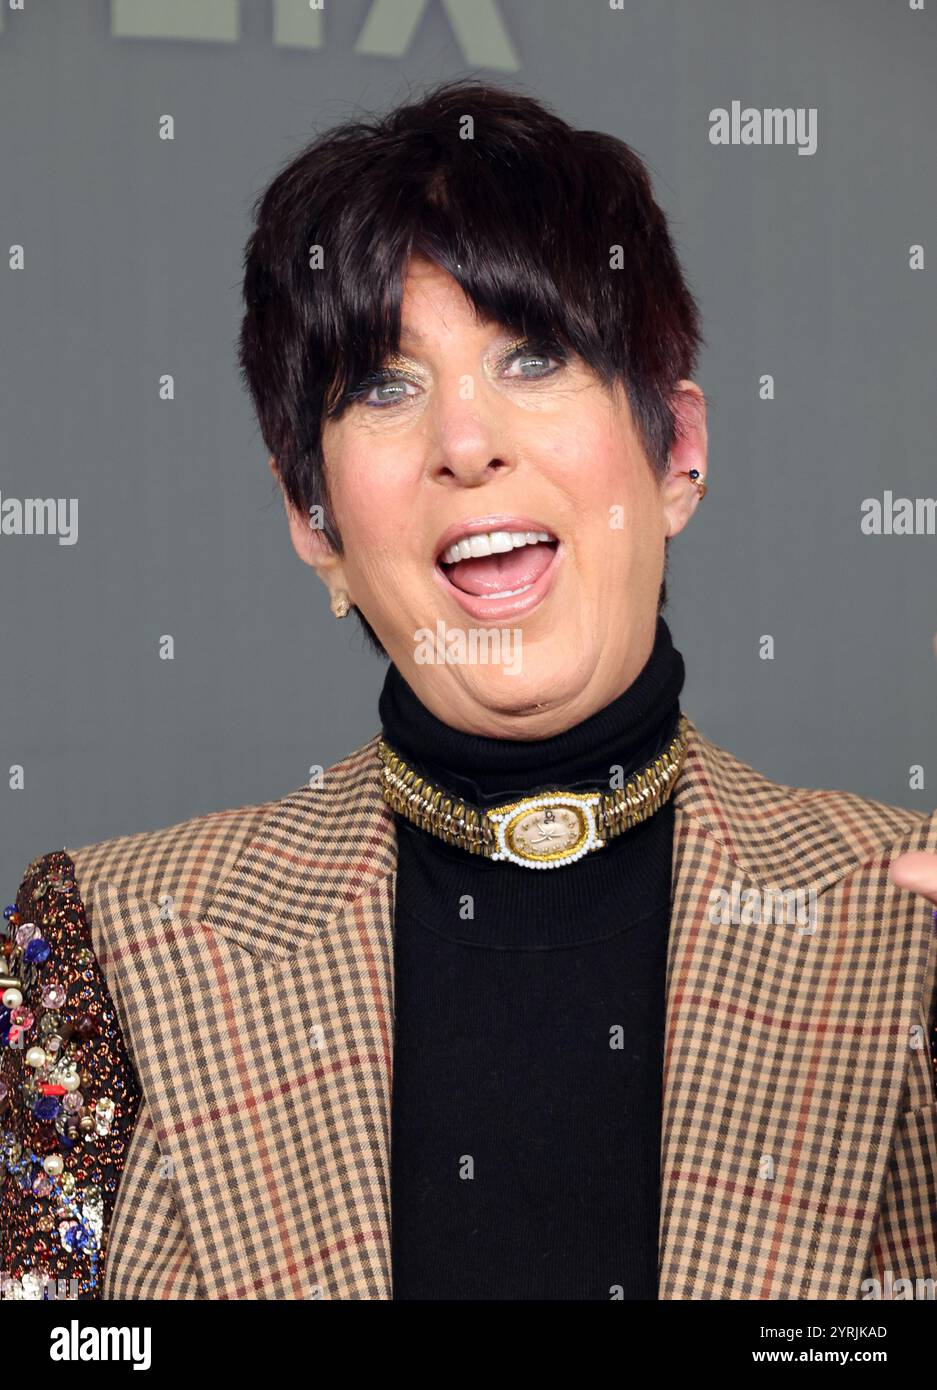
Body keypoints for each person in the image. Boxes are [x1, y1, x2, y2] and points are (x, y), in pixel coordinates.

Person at [2, 79, 935, 1302]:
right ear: (312, 516)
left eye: (534, 356)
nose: (465, 440)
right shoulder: (108, 951)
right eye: (384, 387)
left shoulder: (907, 927)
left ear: (679, 455)